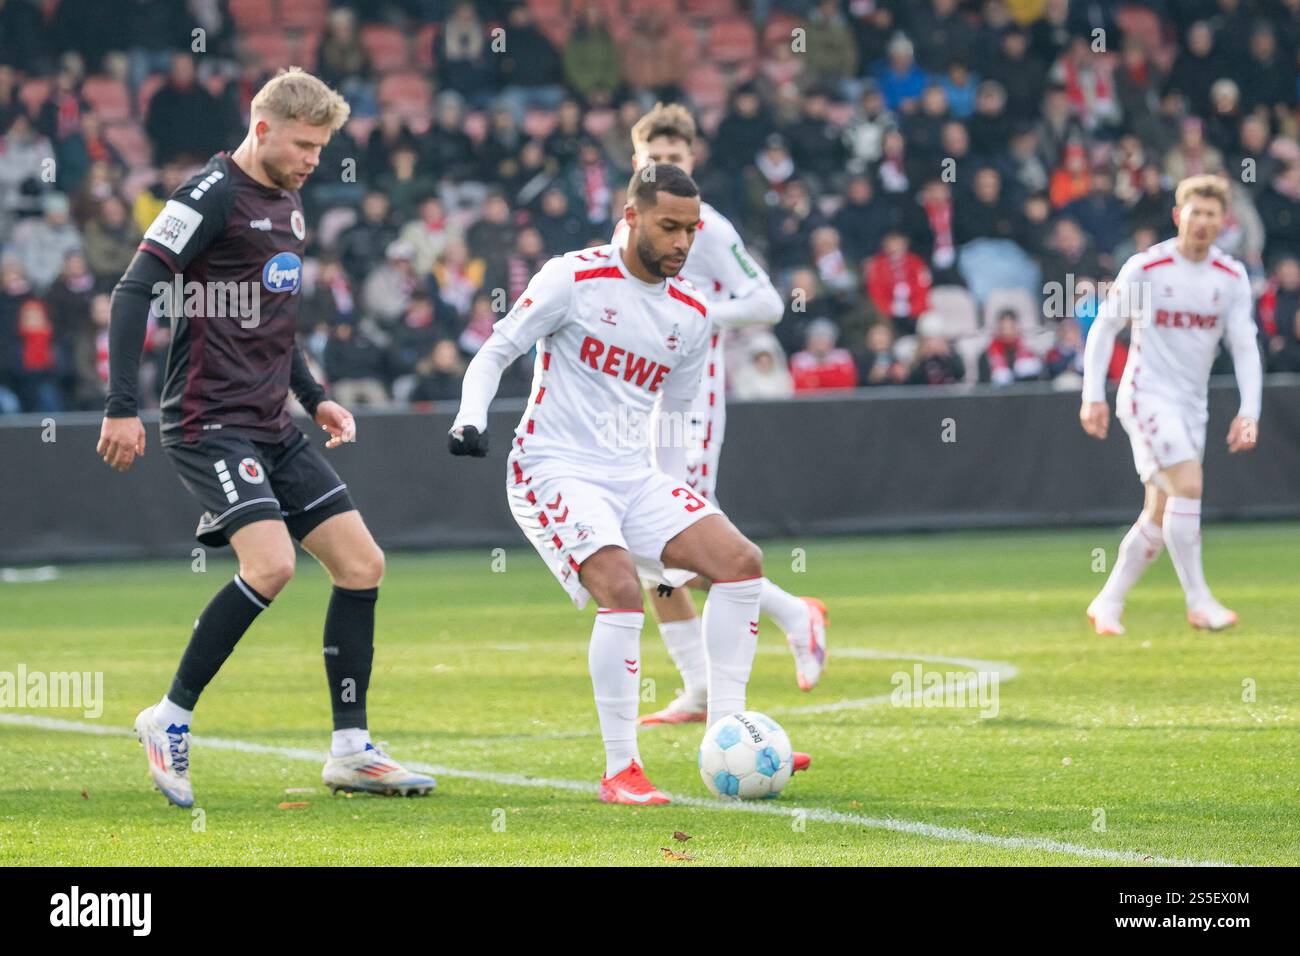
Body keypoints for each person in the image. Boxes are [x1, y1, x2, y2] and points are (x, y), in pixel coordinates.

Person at [97, 68, 434, 809]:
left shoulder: (290, 203)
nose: (315, 159)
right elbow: (133, 290)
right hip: (207, 419)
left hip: (271, 421)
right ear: (262, 129)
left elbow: (276, 322)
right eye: (305, 144)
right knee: (274, 565)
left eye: (322, 146)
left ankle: (351, 751)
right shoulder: (208, 195)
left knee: (361, 563)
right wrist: (120, 404)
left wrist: (314, 399)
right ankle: (170, 717)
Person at [447, 164, 811, 805]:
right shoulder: (573, 277)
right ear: (631, 216)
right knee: (620, 588)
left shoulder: (693, 312)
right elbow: (498, 350)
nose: (682, 243)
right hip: (552, 466)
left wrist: (676, 513)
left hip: (634, 474)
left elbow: (673, 414)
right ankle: (621, 770)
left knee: (740, 563)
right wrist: (470, 419)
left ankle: (730, 732)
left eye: (692, 231)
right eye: (669, 227)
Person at [611, 104, 828, 726]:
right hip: (637, 399)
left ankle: (791, 613)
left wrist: (703, 311)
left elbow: (765, 301)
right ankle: (701, 686)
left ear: (693, 162)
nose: (666, 168)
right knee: (645, 547)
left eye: (677, 159)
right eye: (655, 159)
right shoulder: (628, 226)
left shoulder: (706, 226)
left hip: (692, 401)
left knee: (680, 544)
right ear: (636, 163)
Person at [1080, 175, 1262, 635]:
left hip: (1191, 405)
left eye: (1211, 214)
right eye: (1194, 212)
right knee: (1189, 483)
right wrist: (1092, 394)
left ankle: (1109, 601)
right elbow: (1105, 327)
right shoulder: (1148, 267)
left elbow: (1244, 347)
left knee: (1159, 514)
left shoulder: (1231, 277)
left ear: (1224, 222)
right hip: (1146, 394)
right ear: (1179, 216)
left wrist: (1251, 410)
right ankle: (1199, 600)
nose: (1202, 221)